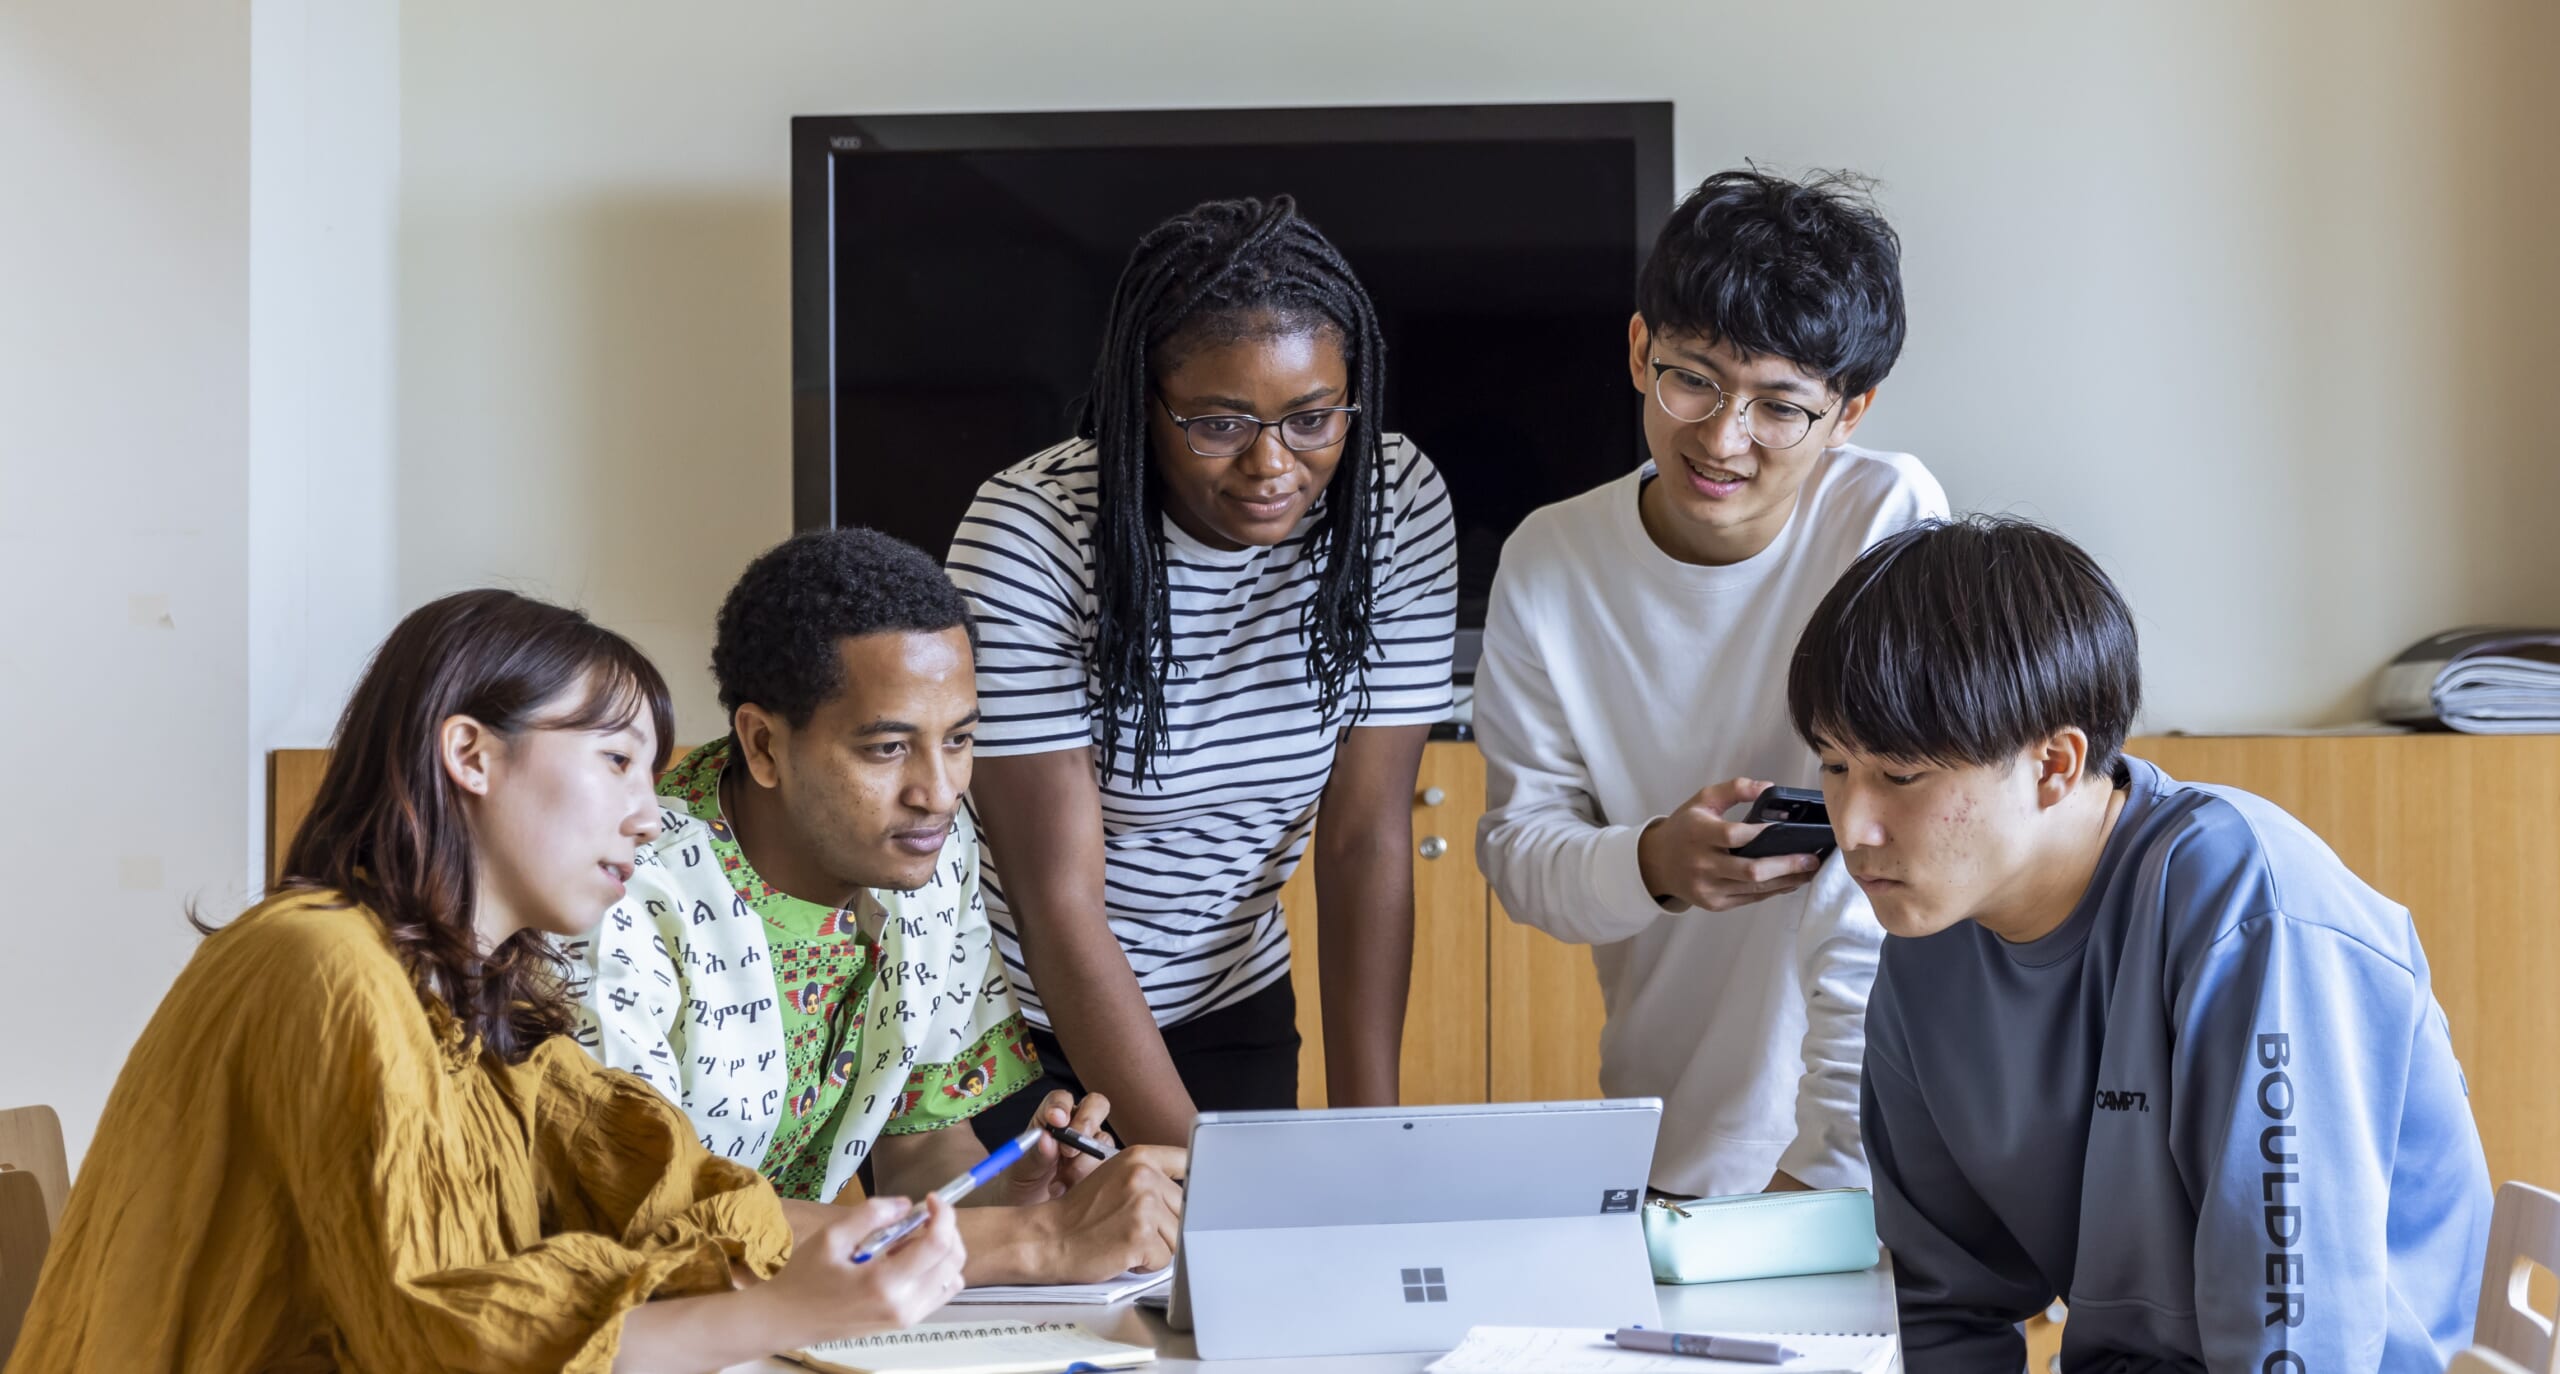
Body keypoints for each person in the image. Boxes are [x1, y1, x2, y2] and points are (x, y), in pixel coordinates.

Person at [5, 590, 967, 1374]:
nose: (647, 814)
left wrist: (950, 1237)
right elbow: (430, 1341)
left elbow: (674, 1193)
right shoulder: (318, 960)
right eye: (618, 761)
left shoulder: (487, 1010)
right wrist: (784, 1312)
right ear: (471, 753)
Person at [1789, 516, 2492, 1372]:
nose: (1855, 827)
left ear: (2054, 763)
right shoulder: (1925, 943)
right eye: (1833, 766)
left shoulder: (2244, 905)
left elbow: (2296, 1347)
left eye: (1900, 776)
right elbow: (1940, 1312)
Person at [1472, 168, 1945, 1197]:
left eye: (1780, 406)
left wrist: (1829, 1169)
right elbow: (1519, 855)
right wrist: (1654, 862)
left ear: (1850, 411)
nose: (1721, 439)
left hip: (1870, 1154)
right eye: (1692, 380)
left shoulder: (1883, 521)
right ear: (1639, 351)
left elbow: (1902, 851)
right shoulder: (1552, 562)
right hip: (1677, 1143)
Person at [946, 195, 1457, 1147]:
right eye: (1220, 424)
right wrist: (1202, 1174)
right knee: (1065, 1292)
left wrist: (1377, 1149)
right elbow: (1055, 894)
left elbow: (1365, 841)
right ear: (1147, 401)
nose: (1274, 465)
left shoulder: (1392, 501)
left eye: (1313, 418)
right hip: (1005, 1019)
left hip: (1228, 997)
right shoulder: (1030, 532)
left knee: (1241, 1290)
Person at [564, 530, 1184, 1284]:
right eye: (888, 749)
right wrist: (1038, 1242)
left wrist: (1011, 1209)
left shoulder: (927, 855)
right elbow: (654, 1220)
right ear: (762, 746)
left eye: (959, 739)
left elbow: (921, 1140)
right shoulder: (618, 894)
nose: (940, 791)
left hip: (798, 1323)